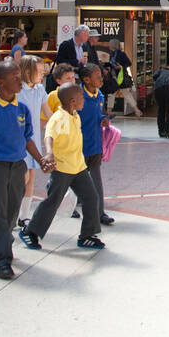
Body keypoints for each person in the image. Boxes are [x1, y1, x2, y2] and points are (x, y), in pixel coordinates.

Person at [0, 62, 56, 279]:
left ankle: (5, 240)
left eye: (20, 76)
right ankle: (2, 261)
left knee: (12, 211)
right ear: (0, 82)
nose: (20, 81)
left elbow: (27, 138)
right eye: (15, 77)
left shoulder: (22, 108)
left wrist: (40, 159)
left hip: (18, 166)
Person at [18, 83, 106, 252]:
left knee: (91, 197)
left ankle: (87, 235)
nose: (83, 101)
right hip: (62, 168)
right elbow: (49, 135)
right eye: (81, 98)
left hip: (78, 167)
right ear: (73, 101)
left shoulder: (75, 116)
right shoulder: (58, 118)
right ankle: (30, 232)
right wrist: (49, 153)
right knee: (53, 202)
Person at [78, 63, 116, 225]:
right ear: (86, 79)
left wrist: (103, 120)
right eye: (98, 76)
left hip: (95, 145)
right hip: (77, 146)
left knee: (96, 180)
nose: (102, 78)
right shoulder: (77, 96)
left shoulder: (99, 95)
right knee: (66, 182)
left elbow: (97, 115)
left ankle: (100, 213)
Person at [15, 55, 51, 222]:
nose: (42, 74)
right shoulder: (17, 91)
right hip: (20, 142)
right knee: (22, 178)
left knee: (31, 177)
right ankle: (13, 215)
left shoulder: (40, 90)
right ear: (27, 71)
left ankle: (24, 216)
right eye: (39, 71)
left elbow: (48, 113)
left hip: (34, 141)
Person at [106, 39, 143, 118]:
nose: (108, 45)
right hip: (114, 77)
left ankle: (136, 110)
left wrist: (121, 67)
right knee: (112, 94)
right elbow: (111, 64)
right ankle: (109, 112)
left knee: (123, 94)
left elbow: (129, 63)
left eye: (110, 44)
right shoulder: (112, 54)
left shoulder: (121, 54)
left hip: (121, 77)